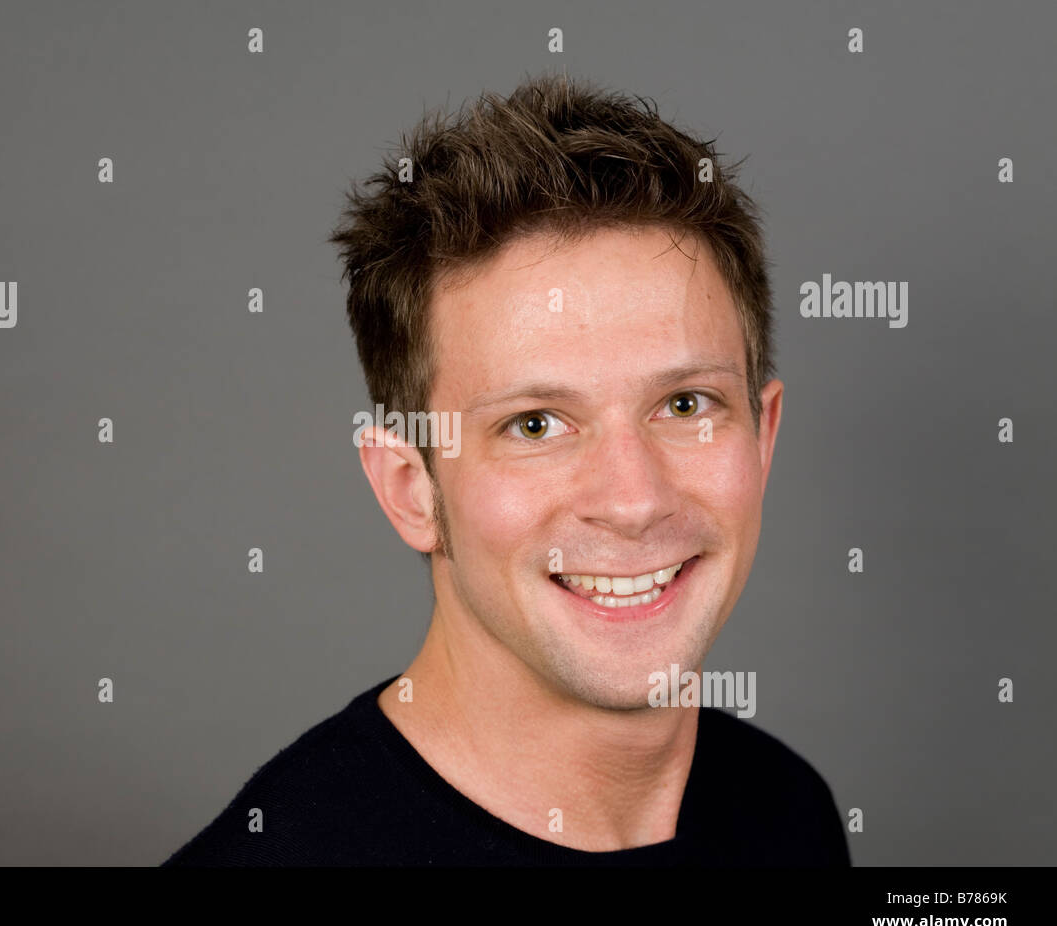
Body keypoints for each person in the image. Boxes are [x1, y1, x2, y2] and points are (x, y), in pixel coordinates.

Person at [165, 71, 850, 866]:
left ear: (762, 439)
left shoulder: (785, 807)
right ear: (411, 489)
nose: (633, 501)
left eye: (687, 405)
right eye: (535, 424)